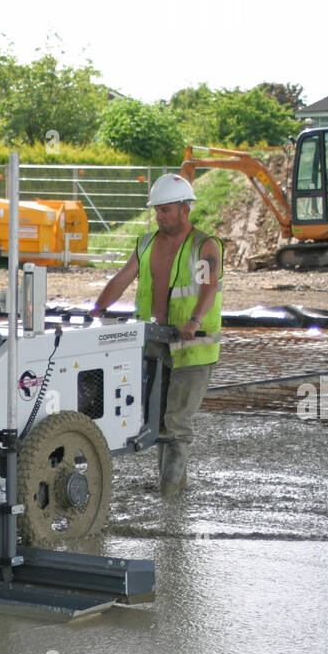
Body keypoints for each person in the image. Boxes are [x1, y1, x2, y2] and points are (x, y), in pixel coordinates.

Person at [92, 173, 222, 498]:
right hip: (154, 344)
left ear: (184, 208)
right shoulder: (147, 243)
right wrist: (96, 310)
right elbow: (122, 279)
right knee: (159, 421)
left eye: (165, 210)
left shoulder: (203, 245)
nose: (159, 216)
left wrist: (194, 320)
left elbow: (209, 287)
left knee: (177, 423)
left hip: (194, 347)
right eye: (156, 210)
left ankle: (168, 497)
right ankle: (175, 489)